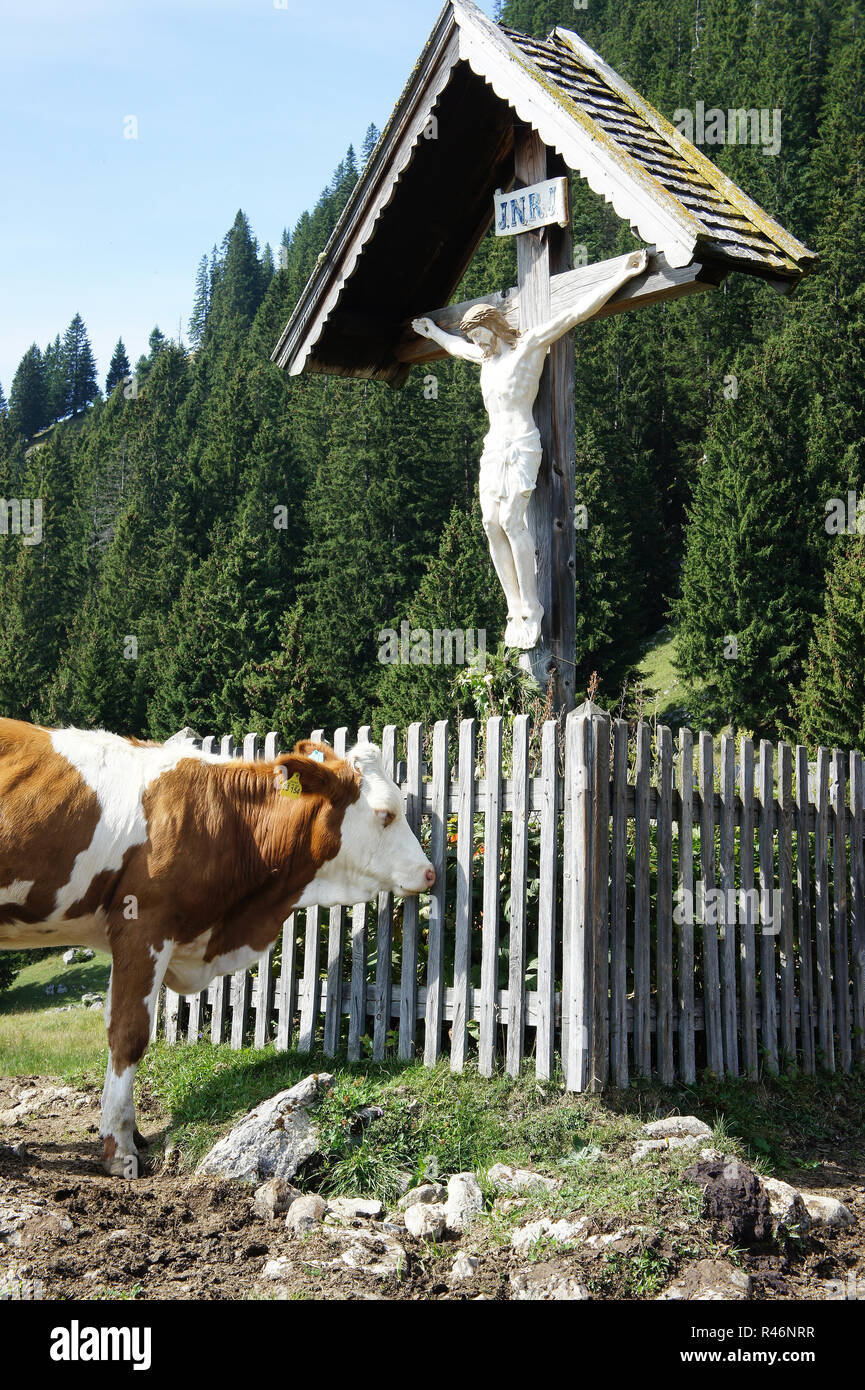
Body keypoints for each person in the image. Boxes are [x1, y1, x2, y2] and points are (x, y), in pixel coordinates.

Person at [412, 248, 649, 649]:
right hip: (494, 445)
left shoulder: (529, 346)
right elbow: (454, 348)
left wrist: (619, 278)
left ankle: (533, 606)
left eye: (479, 333)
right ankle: (514, 606)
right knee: (490, 523)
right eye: (472, 336)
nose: (476, 341)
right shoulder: (484, 360)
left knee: (510, 519)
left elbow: (574, 313)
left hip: (522, 441)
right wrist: (435, 333)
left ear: (492, 325)